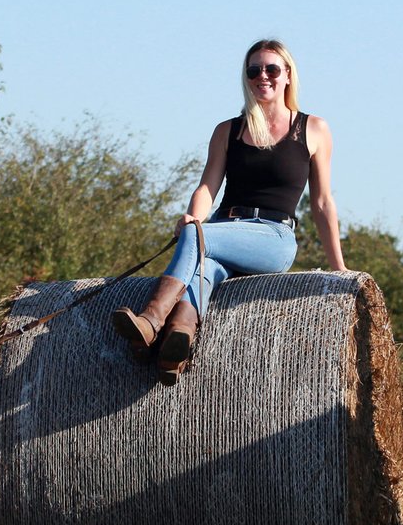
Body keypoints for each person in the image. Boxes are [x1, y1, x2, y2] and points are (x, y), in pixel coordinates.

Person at [112, 39, 347, 384]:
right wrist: (194, 214)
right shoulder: (228, 131)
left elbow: (323, 202)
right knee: (202, 273)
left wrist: (338, 267)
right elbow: (207, 187)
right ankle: (176, 346)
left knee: (197, 237)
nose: (262, 76)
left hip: (273, 237)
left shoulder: (313, 129)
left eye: (271, 69)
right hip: (225, 228)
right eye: (254, 70)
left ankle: (151, 320)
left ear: (287, 76)